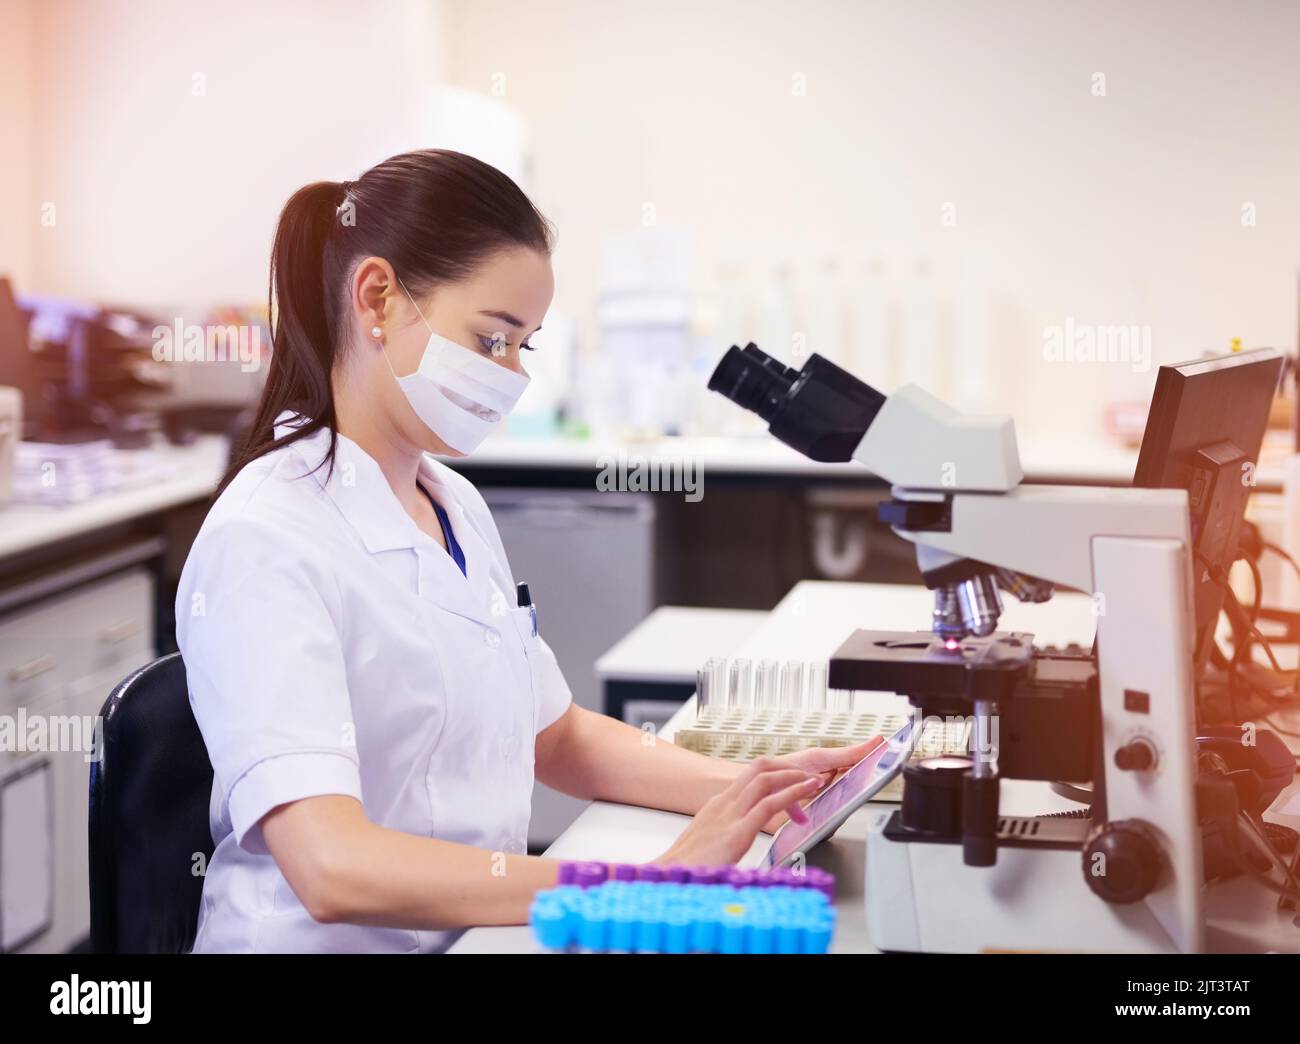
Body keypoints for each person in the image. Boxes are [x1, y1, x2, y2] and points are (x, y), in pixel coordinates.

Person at [177, 149, 874, 952]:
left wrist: (771, 792)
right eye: (491, 339)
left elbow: (556, 735)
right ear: (378, 297)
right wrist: (636, 887)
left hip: (473, 934)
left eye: (525, 347)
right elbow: (332, 868)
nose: (511, 376)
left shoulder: (451, 502)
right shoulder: (267, 538)